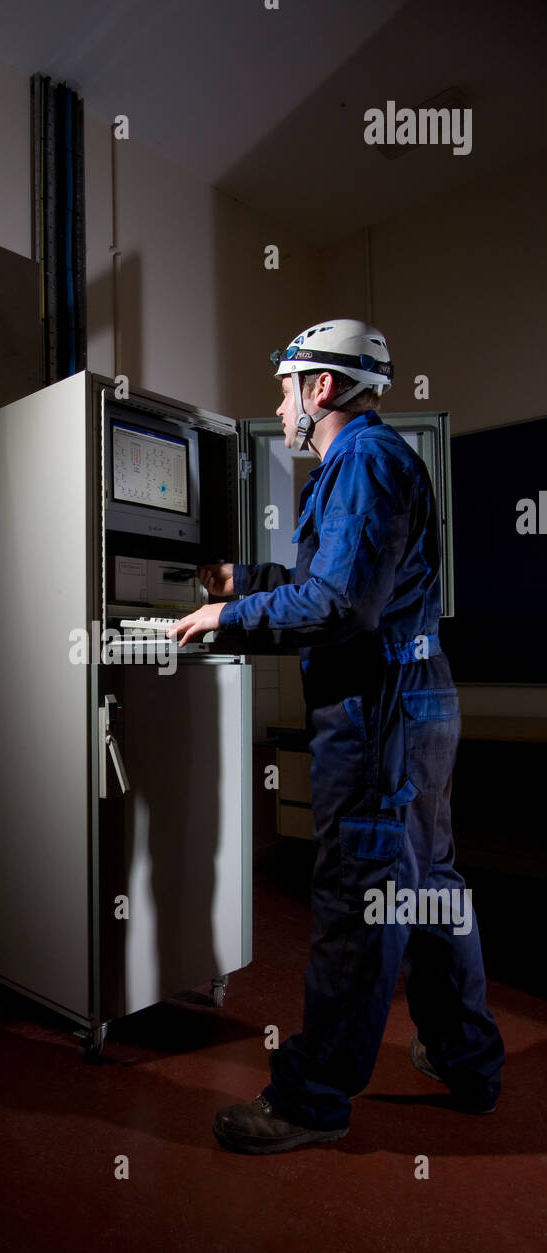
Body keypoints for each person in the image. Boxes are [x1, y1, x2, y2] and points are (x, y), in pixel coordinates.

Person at [167, 319, 504, 1156]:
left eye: (286, 387)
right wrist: (246, 581)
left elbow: (337, 609)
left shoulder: (361, 462)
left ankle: (312, 1098)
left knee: (360, 897)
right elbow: (342, 582)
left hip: (378, 713)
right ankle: (467, 1060)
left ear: (321, 389)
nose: (279, 405)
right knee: (426, 886)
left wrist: (229, 615)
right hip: (415, 701)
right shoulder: (376, 463)